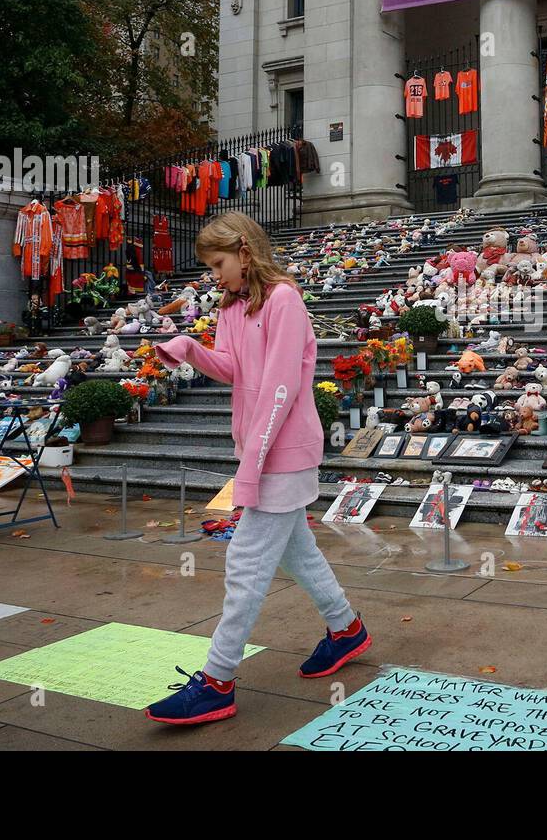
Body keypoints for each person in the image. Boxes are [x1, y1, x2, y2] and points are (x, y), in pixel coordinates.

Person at [144, 212, 369, 725]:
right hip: (263, 451)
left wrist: (251, 466)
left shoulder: (285, 300)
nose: (213, 276)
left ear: (244, 251)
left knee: (245, 566)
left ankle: (218, 680)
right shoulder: (233, 306)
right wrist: (189, 348)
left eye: (217, 264)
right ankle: (346, 629)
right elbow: (233, 369)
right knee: (298, 554)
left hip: (281, 454)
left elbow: (280, 388)